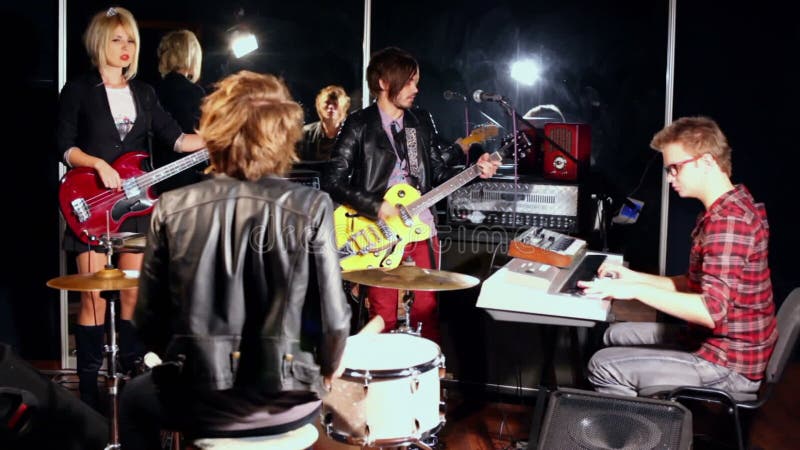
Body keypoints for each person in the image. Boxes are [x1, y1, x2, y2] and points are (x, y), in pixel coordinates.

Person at [119, 70, 351, 449]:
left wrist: (184, 361)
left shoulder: (172, 207)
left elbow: (148, 319)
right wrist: (327, 367)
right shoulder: (313, 206)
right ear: (284, 132)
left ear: (215, 130)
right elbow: (334, 322)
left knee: (132, 401)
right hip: (291, 401)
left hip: (202, 400)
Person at [55, 6, 205, 410]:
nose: (126, 47)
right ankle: (87, 394)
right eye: (118, 39)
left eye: (132, 40)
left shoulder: (145, 92)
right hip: (89, 202)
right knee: (90, 298)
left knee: (132, 296)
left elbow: (176, 140)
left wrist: (217, 136)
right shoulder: (79, 89)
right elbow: (63, 145)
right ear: (101, 42)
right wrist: (97, 163)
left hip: (135, 207)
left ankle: (126, 381)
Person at [580, 116, 777, 397]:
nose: (670, 177)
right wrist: (633, 277)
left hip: (729, 363)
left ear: (707, 162)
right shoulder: (726, 208)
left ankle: (645, 435)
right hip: (717, 345)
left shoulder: (729, 223)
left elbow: (710, 311)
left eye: (675, 168)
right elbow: (692, 284)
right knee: (612, 334)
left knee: (603, 366)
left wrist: (631, 289)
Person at [322, 47, 500, 343]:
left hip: (421, 228)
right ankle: (381, 383)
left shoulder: (420, 121)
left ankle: (427, 381)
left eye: (415, 82)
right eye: (408, 81)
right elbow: (333, 180)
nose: (415, 89)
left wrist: (476, 172)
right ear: (383, 82)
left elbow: (439, 176)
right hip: (377, 231)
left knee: (427, 312)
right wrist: (376, 206)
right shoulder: (358, 124)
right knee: (383, 315)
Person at [153, 29, 208, 194]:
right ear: (191, 55)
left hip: (155, 176)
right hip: (187, 178)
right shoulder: (194, 93)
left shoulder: (151, 91)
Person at [299, 85, 350, 162]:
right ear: (319, 106)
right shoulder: (305, 133)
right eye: (327, 103)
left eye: (335, 104)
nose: (330, 107)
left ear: (343, 108)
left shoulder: (352, 134)